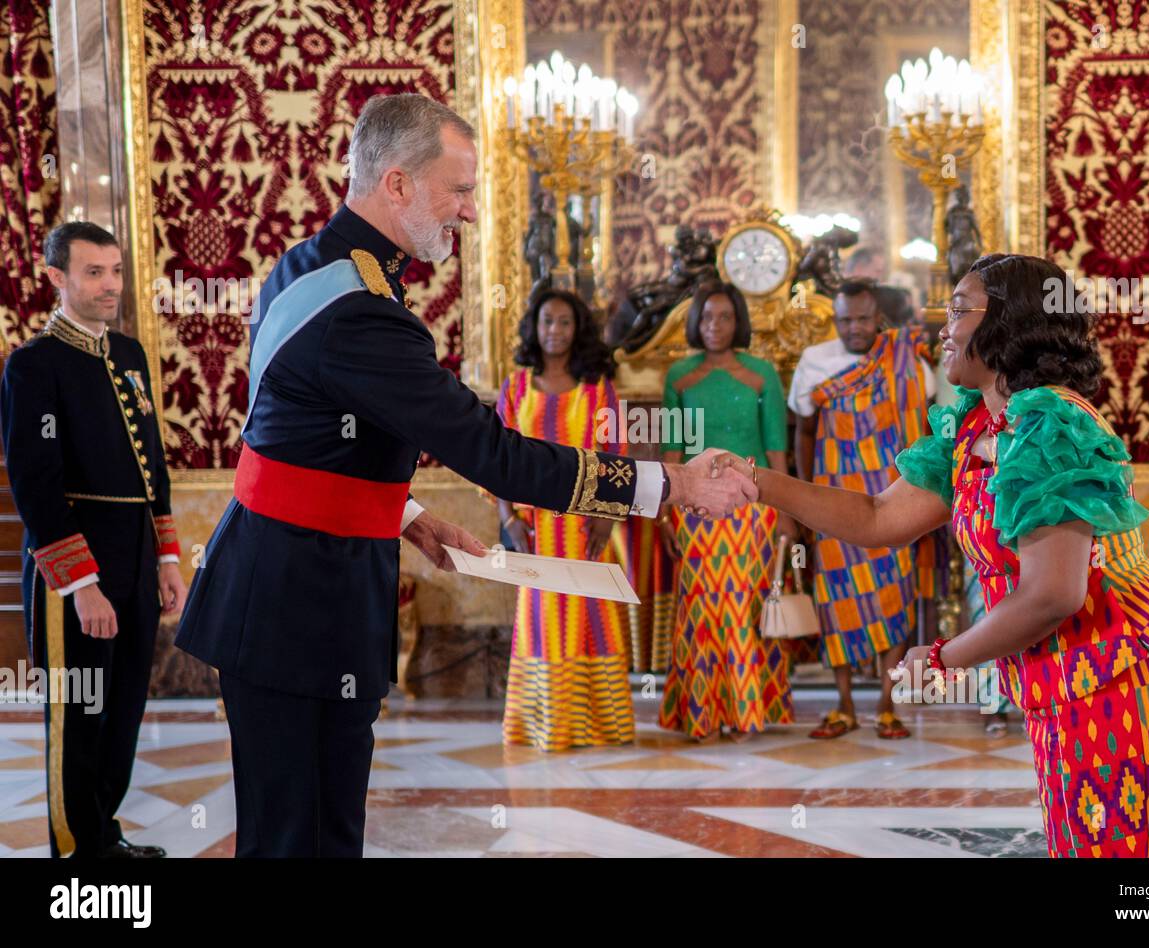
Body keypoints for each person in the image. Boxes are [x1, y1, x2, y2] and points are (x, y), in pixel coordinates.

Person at [174, 94, 755, 857]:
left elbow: (307, 441)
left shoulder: (312, 265)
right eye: (461, 189)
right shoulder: (361, 310)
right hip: (297, 602)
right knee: (295, 837)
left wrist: (408, 515)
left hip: (298, 580)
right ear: (398, 184)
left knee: (323, 829)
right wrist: (668, 485)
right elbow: (495, 454)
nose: (472, 212)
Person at [708, 254, 1149, 857]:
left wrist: (945, 657)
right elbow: (877, 518)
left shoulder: (1048, 425)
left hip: (1123, 657)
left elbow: (1054, 592)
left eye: (957, 310)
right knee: (1081, 838)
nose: (941, 327)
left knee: (1129, 847)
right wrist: (757, 482)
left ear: (1009, 322)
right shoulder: (974, 427)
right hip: (1062, 663)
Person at [1, 221, 189, 858]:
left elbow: (151, 465)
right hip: (75, 569)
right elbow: (35, 483)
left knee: (125, 709)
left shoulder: (129, 356)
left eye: (115, 270)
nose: (111, 285)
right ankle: (76, 856)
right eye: (94, 273)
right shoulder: (33, 367)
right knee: (78, 716)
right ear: (56, 278)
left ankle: (104, 836)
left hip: (135, 556)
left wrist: (166, 557)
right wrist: (81, 583)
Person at [787, 280, 931, 740]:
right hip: (835, 502)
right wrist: (807, 500)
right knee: (836, 603)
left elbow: (924, 426)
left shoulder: (906, 358)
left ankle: (887, 707)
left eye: (862, 318)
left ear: (877, 318)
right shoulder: (816, 362)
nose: (854, 328)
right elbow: (804, 433)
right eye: (845, 319)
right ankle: (844, 705)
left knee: (894, 598)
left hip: (895, 501)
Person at [495, 288, 634, 751]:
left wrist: (608, 519)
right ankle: (544, 725)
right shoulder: (516, 387)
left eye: (565, 323)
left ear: (579, 330)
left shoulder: (598, 389)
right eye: (547, 322)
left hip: (585, 527)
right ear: (535, 327)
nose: (555, 331)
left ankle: (600, 725)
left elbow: (615, 455)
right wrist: (507, 518)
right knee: (541, 622)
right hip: (536, 530)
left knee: (593, 617)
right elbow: (496, 457)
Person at [658, 281, 797, 743]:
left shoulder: (762, 374)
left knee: (742, 606)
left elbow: (777, 449)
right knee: (698, 609)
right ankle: (700, 714)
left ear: (739, 322)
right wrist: (663, 515)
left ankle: (745, 713)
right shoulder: (678, 376)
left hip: (752, 511)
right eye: (707, 317)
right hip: (694, 509)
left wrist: (788, 513)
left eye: (724, 317)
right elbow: (672, 451)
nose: (714, 326)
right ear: (694, 322)